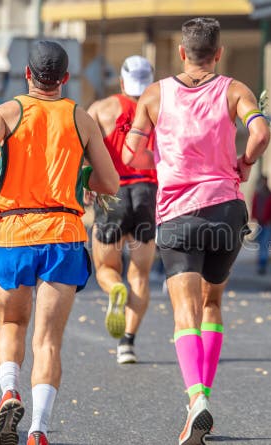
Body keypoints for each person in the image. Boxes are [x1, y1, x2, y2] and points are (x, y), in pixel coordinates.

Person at [123, 18, 271, 445]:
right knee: (213, 302)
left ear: (182, 52)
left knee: (184, 311)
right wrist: (244, 163)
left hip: (177, 213)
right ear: (219, 53)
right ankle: (204, 397)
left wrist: (160, 159)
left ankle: (196, 400)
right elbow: (261, 132)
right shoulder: (234, 89)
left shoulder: (154, 94)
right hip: (226, 209)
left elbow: (133, 151)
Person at [0, 40, 119, 445]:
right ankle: (38, 429)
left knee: (11, 323)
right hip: (63, 234)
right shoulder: (81, 117)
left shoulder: (6, 112)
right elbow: (110, 182)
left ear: (27, 75)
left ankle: (8, 392)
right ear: (65, 80)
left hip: (13, 232)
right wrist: (81, 179)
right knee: (48, 340)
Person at [86, 55, 158, 364]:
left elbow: (82, 151)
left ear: (121, 82)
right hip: (147, 192)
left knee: (105, 267)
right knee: (140, 273)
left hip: (112, 193)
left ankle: (115, 289)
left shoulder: (101, 109)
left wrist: (88, 184)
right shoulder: (161, 109)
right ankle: (127, 343)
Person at [251, 176, 271, 274]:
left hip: (269, 223)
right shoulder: (257, 195)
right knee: (261, 244)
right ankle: (262, 263)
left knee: (265, 243)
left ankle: (263, 264)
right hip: (260, 223)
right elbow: (254, 207)